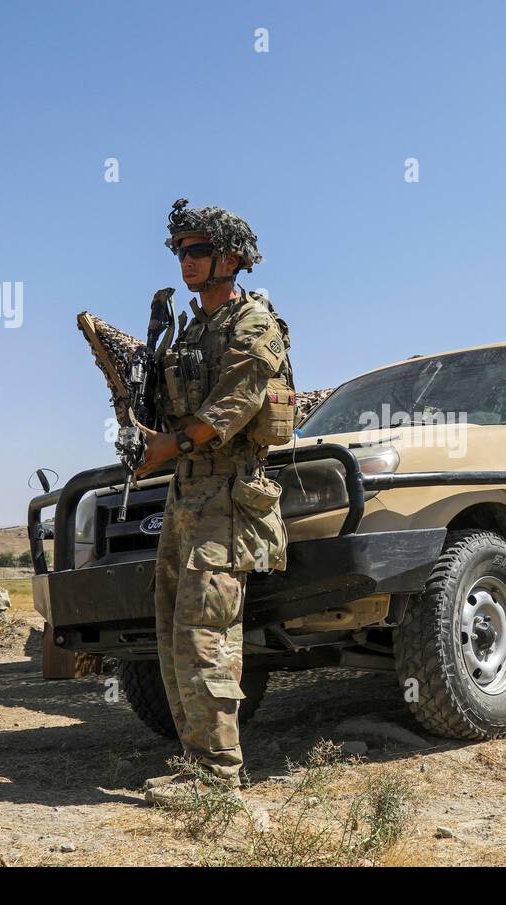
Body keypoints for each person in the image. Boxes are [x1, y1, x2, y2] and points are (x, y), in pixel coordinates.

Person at [135, 200, 292, 803]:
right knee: (173, 630)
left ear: (231, 258)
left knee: (207, 633)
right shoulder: (191, 328)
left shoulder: (253, 324)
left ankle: (217, 776)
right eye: (180, 251)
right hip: (186, 492)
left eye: (198, 251)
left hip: (228, 493)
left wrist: (167, 445)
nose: (187, 261)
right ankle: (195, 763)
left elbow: (234, 406)